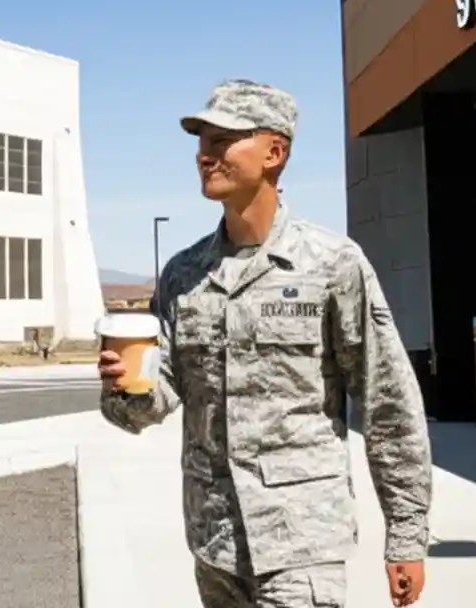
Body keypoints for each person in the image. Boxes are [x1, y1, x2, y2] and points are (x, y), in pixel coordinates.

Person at [98, 79, 433, 607]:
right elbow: (157, 400)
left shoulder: (332, 264)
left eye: (222, 140)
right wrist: (125, 389)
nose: (204, 154)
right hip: (215, 544)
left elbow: (388, 402)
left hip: (302, 542)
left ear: (274, 152)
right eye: (201, 141)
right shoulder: (184, 274)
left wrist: (407, 533)